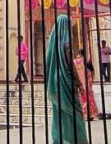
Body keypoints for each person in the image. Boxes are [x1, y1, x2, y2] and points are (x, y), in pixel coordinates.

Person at [45, 15, 89, 144]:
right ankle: (75, 139)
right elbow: (71, 64)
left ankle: (60, 138)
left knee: (59, 112)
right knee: (75, 111)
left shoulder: (53, 44)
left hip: (55, 81)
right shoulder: (66, 44)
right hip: (66, 81)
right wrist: (79, 82)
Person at [73, 49, 100, 120]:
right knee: (89, 98)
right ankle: (91, 114)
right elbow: (92, 71)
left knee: (83, 98)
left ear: (79, 53)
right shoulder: (87, 61)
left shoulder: (76, 62)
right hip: (88, 82)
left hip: (81, 83)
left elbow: (74, 72)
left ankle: (85, 114)